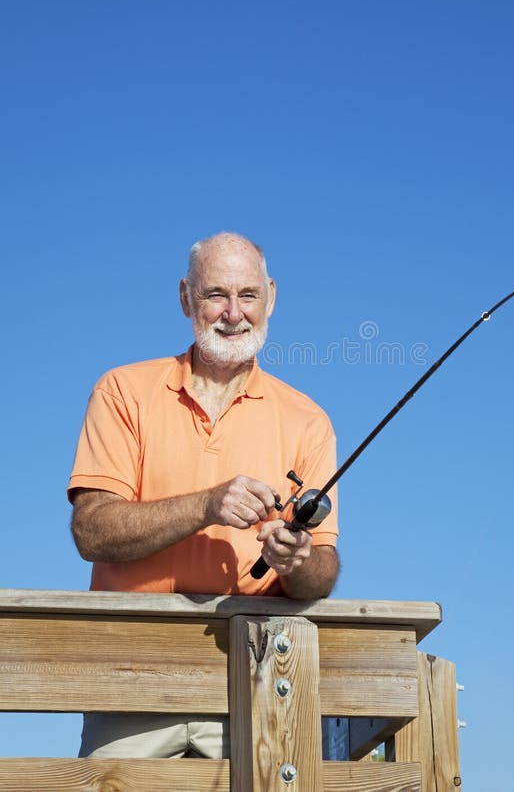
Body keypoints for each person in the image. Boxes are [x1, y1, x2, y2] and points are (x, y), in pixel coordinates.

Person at [68, 232, 340, 758]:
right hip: (130, 673)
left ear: (272, 298)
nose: (233, 313)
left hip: (260, 672)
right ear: (185, 297)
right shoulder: (122, 391)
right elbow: (91, 530)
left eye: (249, 295)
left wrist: (296, 560)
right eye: (215, 293)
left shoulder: (309, 421)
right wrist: (206, 505)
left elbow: (322, 569)